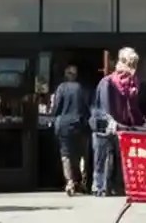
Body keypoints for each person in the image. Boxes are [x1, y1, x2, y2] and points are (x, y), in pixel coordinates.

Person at [90, 47, 146, 196]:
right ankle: (100, 187)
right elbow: (104, 107)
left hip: (125, 127)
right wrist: (111, 121)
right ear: (121, 62)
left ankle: (117, 187)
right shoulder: (108, 83)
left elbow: (140, 108)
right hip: (104, 126)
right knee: (103, 158)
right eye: (130, 62)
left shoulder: (136, 84)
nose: (132, 67)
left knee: (121, 158)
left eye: (134, 63)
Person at [49, 64, 92, 195]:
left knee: (66, 154)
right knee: (79, 154)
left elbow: (56, 108)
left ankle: (70, 182)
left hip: (64, 124)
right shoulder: (81, 88)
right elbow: (86, 108)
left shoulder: (61, 88)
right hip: (78, 124)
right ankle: (81, 181)